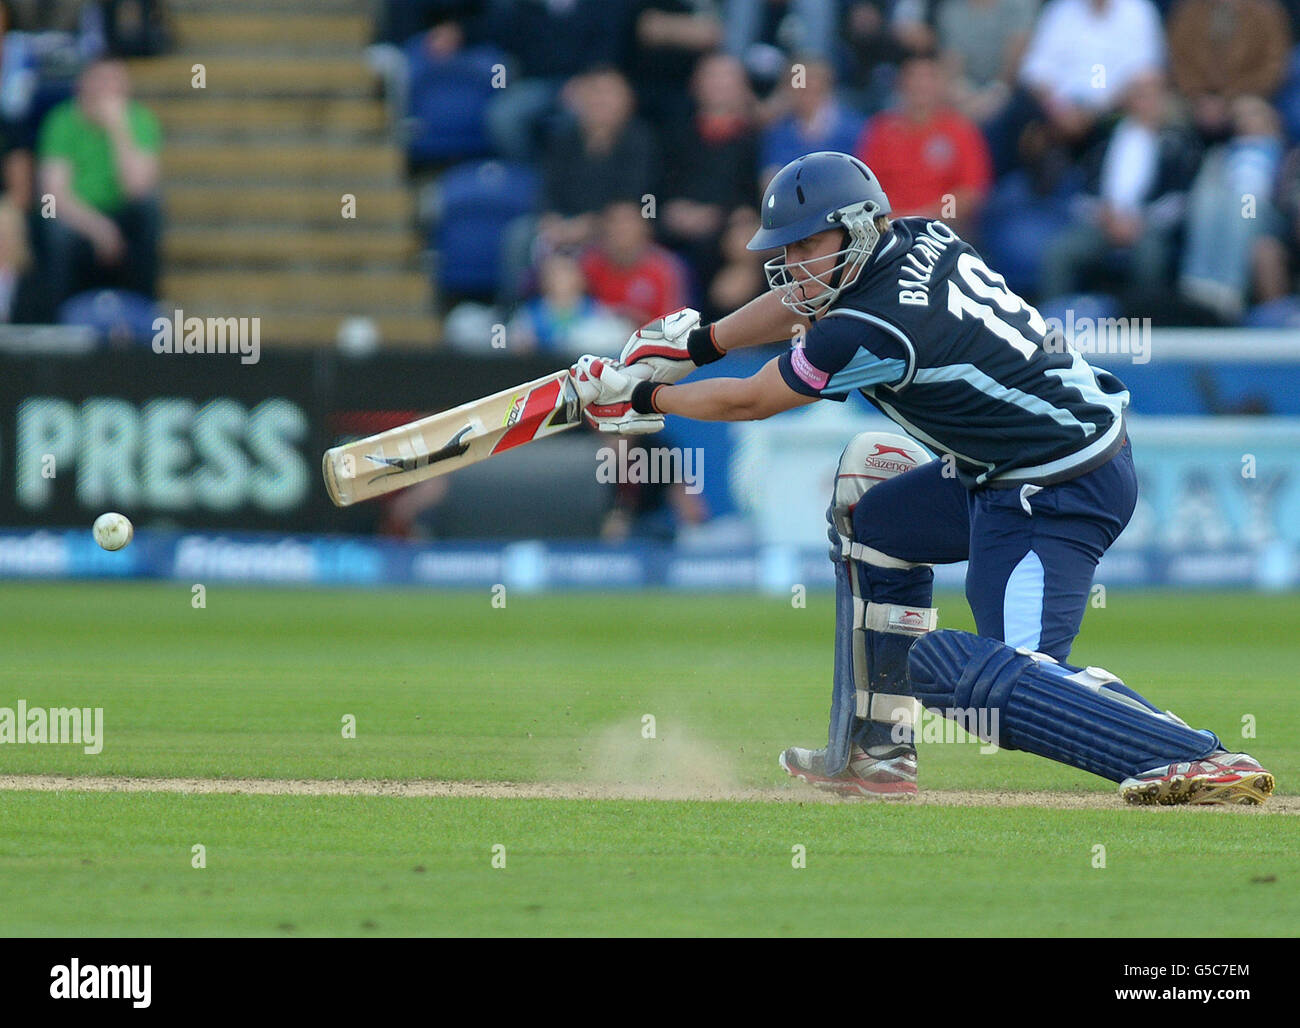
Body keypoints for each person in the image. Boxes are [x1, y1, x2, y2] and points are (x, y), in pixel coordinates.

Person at [568, 150, 1275, 805]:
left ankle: (1194, 756)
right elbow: (805, 302)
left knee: (977, 680)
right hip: (1001, 470)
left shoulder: (869, 327)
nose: (792, 263)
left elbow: (753, 399)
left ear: (854, 230)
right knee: (868, 516)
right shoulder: (910, 235)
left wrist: (643, 397)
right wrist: (697, 343)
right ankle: (876, 755)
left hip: (1055, 492)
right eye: (784, 248)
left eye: (808, 244)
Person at [36, 56, 161, 319]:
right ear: (83, 84)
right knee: (52, 224)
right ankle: (57, 318)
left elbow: (137, 189)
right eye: (101, 80)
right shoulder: (62, 121)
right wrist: (100, 229)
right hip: (78, 217)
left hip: (122, 212)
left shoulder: (141, 121)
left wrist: (119, 130)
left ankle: (145, 314)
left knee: (150, 210)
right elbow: (53, 195)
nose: (107, 88)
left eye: (115, 81)